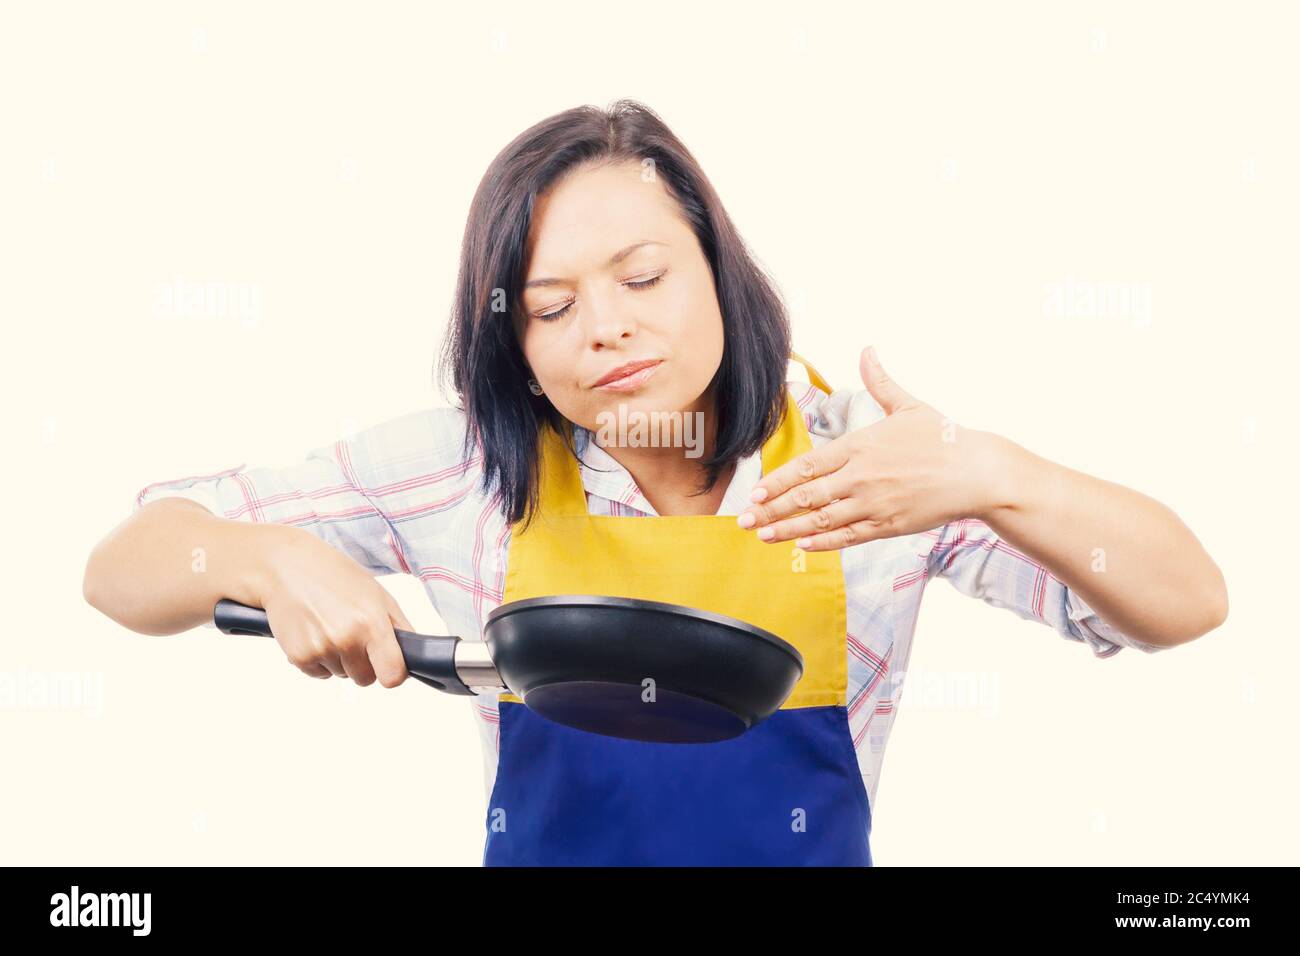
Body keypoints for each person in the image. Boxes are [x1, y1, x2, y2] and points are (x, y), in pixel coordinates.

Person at [84, 99, 1229, 866]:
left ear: (719, 272)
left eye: (643, 275)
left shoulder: (866, 467)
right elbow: (126, 564)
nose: (608, 332)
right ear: (512, 342)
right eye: (550, 306)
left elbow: (1184, 600)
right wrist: (256, 553)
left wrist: (996, 474)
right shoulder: (466, 471)